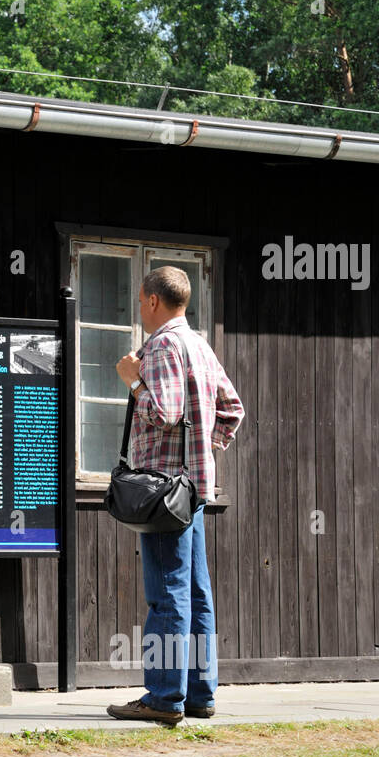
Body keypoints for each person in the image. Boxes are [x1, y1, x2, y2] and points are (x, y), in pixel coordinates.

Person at [106, 266, 244, 726]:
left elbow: (164, 413)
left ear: (151, 301)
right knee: (197, 595)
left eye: (139, 302)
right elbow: (232, 410)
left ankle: (163, 698)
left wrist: (131, 377)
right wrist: (204, 452)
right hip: (193, 488)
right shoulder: (200, 345)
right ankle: (200, 694)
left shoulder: (163, 345)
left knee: (166, 595)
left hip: (164, 493)